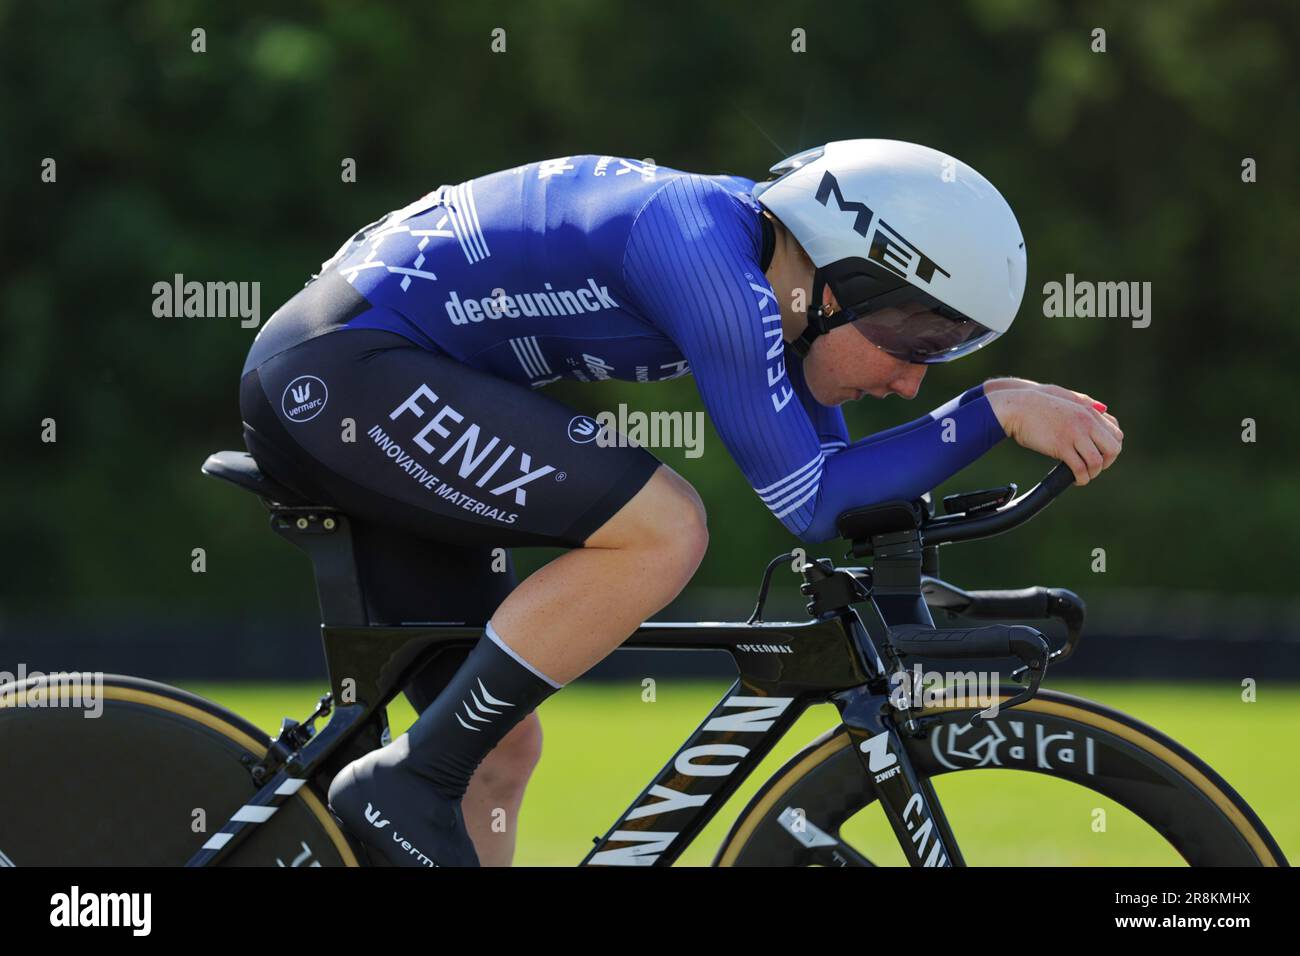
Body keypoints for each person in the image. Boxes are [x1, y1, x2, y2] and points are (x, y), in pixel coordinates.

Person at [236, 139, 1122, 867]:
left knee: (499, 753)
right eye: (918, 336)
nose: (913, 377)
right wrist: (989, 409)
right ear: (833, 286)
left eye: (952, 353)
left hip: (374, 375)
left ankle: (418, 778)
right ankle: (408, 781)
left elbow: (847, 505)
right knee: (664, 529)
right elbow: (812, 502)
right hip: (340, 374)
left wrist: (910, 580)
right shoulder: (709, 263)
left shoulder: (765, 269)